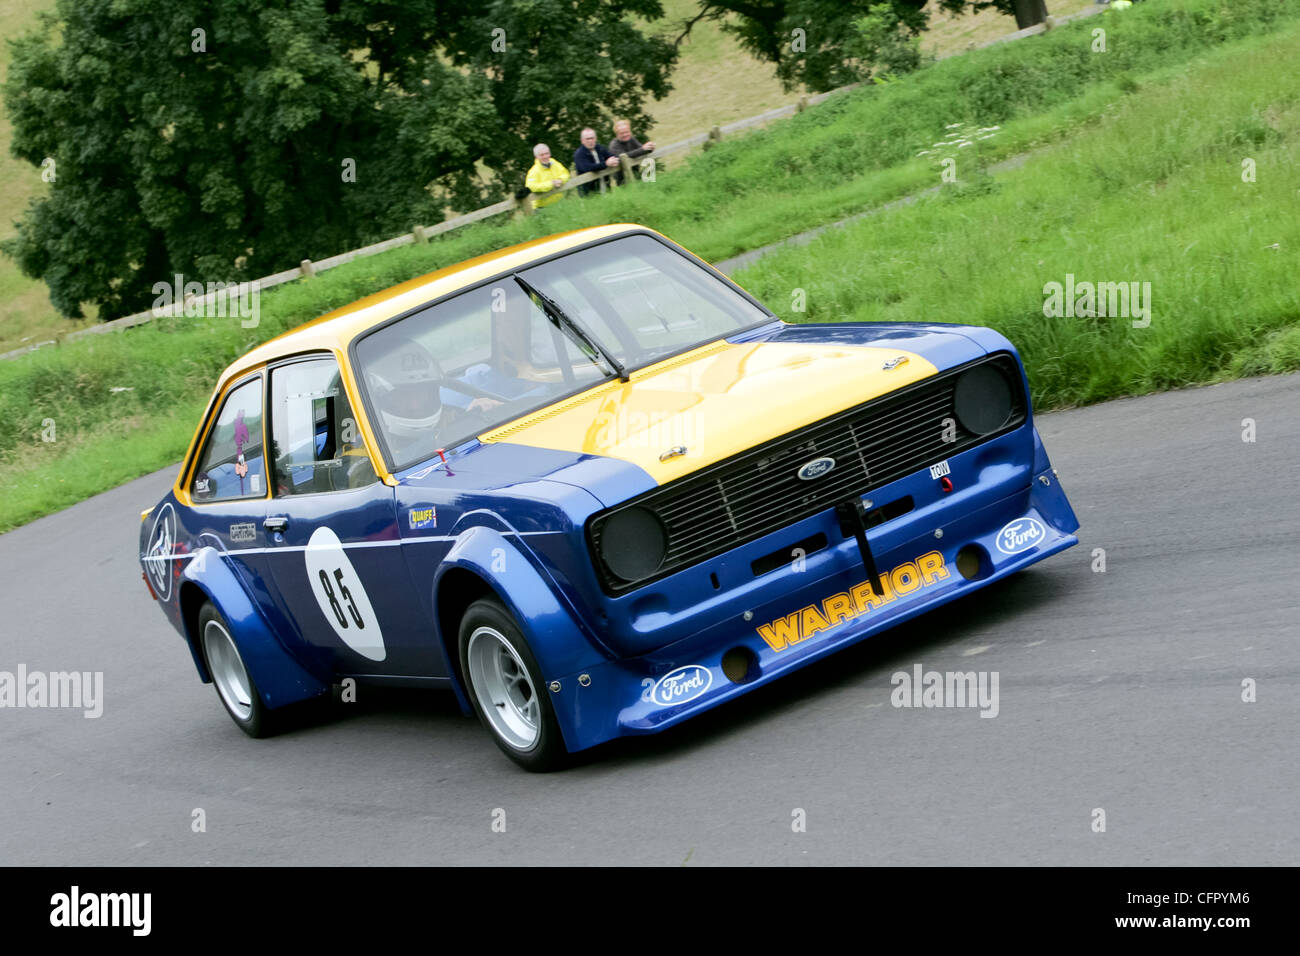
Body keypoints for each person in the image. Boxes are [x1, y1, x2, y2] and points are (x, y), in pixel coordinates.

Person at [362, 336, 501, 464]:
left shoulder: (453, 416)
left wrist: (484, 414)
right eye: (404, 395)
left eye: (423, 391)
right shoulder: (366, 453)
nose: (416, 405)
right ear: (378, 399)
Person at [572, 128, 619, 196]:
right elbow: (587, 168)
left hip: (605, 186)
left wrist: (616, 160)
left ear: (595, 139)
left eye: (592, 138)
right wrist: (606, 164)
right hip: (589, 191)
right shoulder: (579, 154)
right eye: (587, 139)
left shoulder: (599, 148)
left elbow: (612, 156)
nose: (590, 141)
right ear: (582, 141)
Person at [607, 119, 656, 184]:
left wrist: (650, 148)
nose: (625, 134)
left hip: (636, 173)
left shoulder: (631, 139)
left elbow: (641, 150)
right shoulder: (614, 145)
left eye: (627, 132)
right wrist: (643, 149)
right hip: (623, 180)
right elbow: (623, 157)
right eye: (622, 133)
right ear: (617, 134)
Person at [524, 144, 570, 208]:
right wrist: (551, 184)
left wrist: (560, 180)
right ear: (536, 157)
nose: (545, 156)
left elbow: (565, 173)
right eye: (542, 155)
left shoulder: (554, 162)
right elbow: (531, 187)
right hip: (542, 207)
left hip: (559, 202)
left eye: (547, 153)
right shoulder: (533, 171)